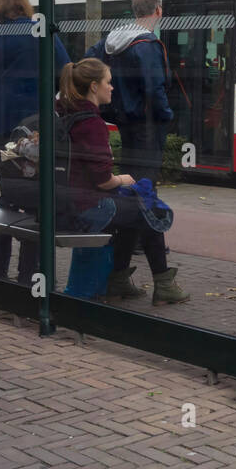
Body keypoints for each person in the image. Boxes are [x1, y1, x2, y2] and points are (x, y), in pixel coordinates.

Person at [56, 58, 189, 305]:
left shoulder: (67, 113)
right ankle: (163, 284)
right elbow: (103, 181)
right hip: (84, 208)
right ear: (94, 86)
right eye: (108, 82)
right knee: (149, 208)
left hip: (66, 201)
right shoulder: (92, 124)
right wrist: (123, 179)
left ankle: (120, 280)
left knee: (133, 210)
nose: (112, 87)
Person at [0, 0, 70, 283]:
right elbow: (66, 72)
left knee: (9, 193)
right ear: (24, 7)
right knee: (36, 197)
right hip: (37, 129)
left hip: (0, 132)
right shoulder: (43, 33)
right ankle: (29, 274)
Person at [86, 0, 172, 184]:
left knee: (129, 172)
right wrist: (166, 115)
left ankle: (128, 207)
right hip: (146, 121)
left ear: (135, 11)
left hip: (121, 117)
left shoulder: (111, 40)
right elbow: (154, 88)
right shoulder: (148, 45)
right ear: (158, 10)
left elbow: (86, 64)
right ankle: (143, 211)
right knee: (146, 176)